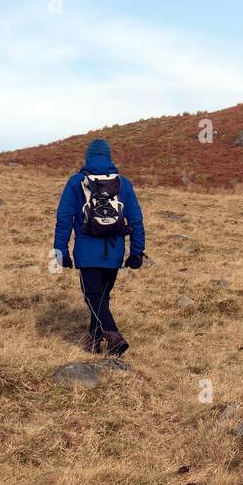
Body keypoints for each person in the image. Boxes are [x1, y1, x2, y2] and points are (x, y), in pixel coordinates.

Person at [53, 138, 145, 356]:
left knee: (92, 295)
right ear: (109, 157)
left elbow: (64, 218)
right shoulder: (123, 183)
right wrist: (137, 251)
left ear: (88, 156)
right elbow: (136, 220)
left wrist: (61, 251)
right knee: (100, 296)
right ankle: (93, 342)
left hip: (87, 251)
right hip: (114, 251)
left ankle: (113, 335)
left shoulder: (76, 182)